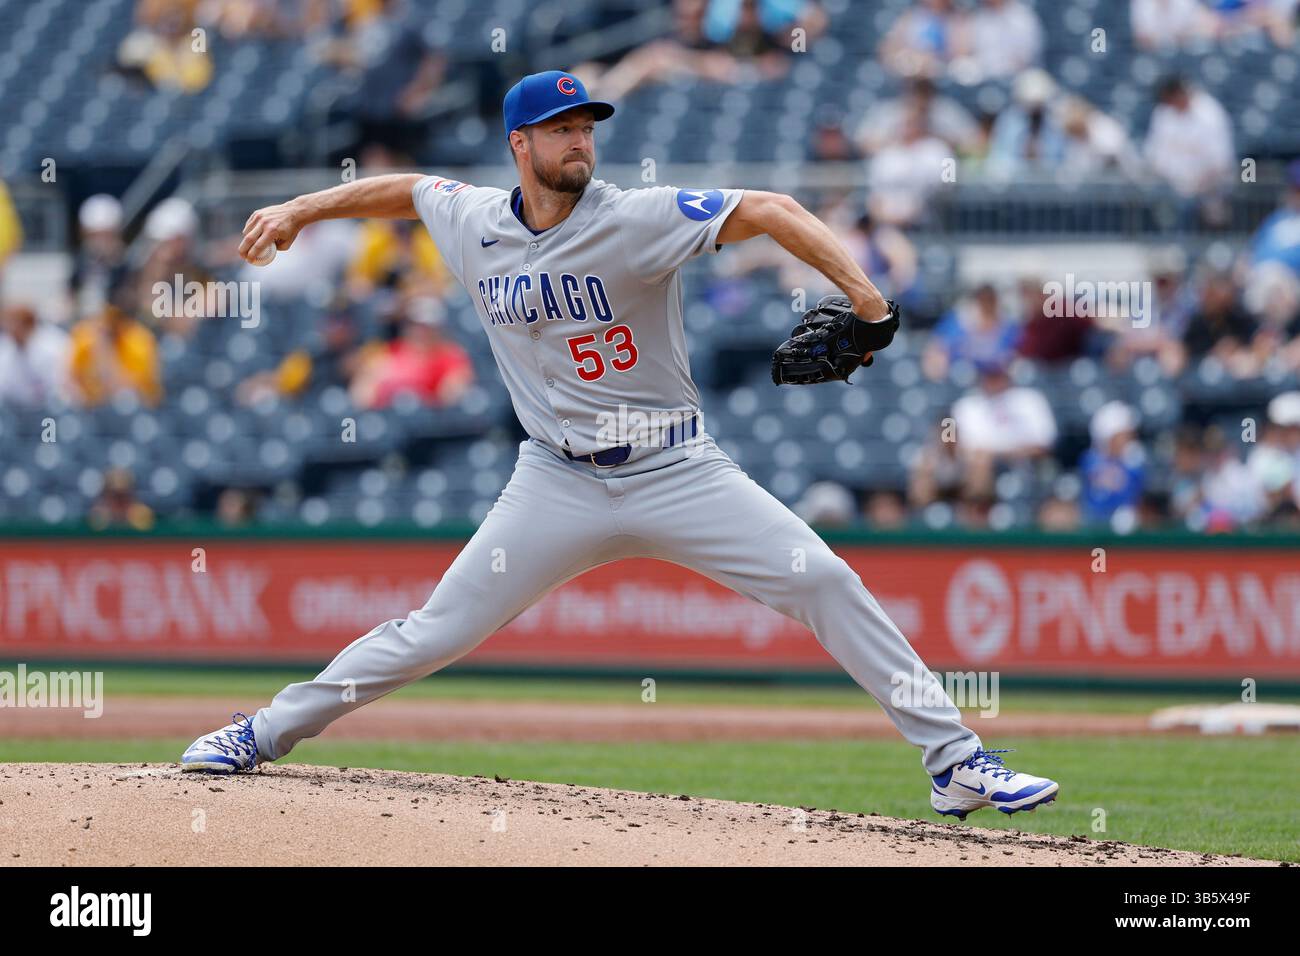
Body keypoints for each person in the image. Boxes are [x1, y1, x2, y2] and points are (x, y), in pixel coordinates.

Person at [181, 69, 1058, 820]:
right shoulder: (474, 219)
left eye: (587, 126)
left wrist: (871, 305)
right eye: (560, 128)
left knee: (823, 579)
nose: (580, 141)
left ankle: (955, 763)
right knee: (432, 631)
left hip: (677, 468)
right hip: (553, 480)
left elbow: (774, 207)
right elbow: (407, 187)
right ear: (519, 143)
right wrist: (302, 207)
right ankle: (263, 731)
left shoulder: (636, 217)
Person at [0, 305, 71, 407]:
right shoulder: (7, 346)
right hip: (19, 410)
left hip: (52, 408)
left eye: (13, 324)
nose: (9, 330)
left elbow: (59, 386)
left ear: (27, 324)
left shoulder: (51, 346)